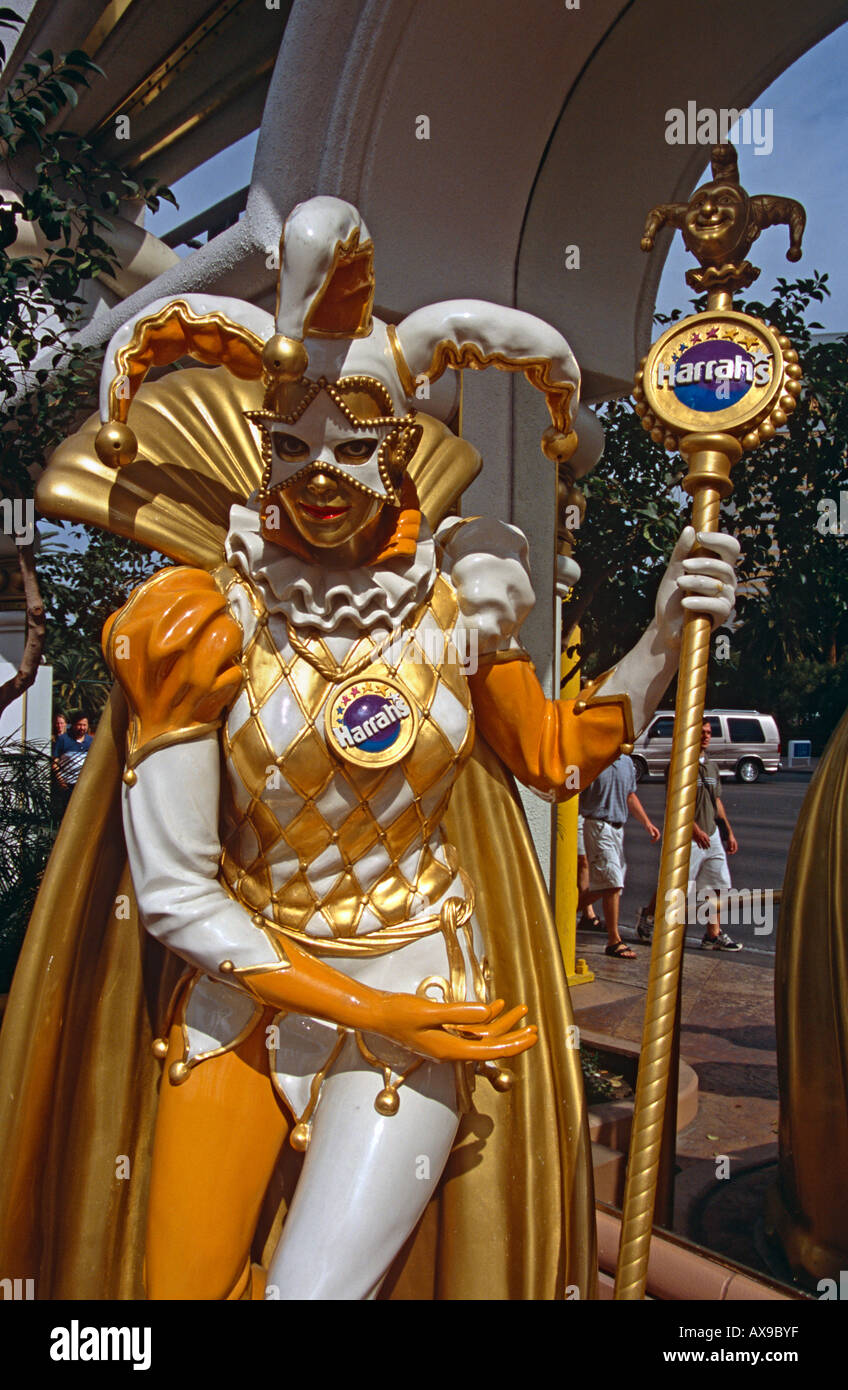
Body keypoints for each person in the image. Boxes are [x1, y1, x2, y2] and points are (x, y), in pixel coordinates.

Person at [5, 197, 738, 1300]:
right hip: (244, 997)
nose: (319, 476)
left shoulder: (460, 610)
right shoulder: (197, 621)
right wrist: (361, 1005)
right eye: (290, 444)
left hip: (417, 983)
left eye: (353, 445)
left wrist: (660, 640)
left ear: (401, 449)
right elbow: (171, 894)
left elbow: (552, 754)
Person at [578, 753, 661, 959]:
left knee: (608, 884)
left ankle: (560, 913)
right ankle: (614, 940)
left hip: (617, 829)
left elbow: (630, 796)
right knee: (612, 883)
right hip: (597, 825)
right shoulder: (592, 758)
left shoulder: (626, 763)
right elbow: (573, 788)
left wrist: (647, 823)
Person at [692, 718, 742, 950]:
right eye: (702, 732)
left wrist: (727, 832)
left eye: (709, 732)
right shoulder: (682, 765)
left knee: (719, 885)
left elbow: (716, 802)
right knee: (678, 886)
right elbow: (673, 803)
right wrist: (694, 829)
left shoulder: (711, 767)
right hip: (690, 837)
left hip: (711, 835)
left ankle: (713, 935)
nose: (706, 736)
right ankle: (649, 918)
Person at [51, 711, 92, 814]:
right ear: (73, 725)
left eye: (84, 725)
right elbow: (54, 762)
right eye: (79, 725)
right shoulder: (63, 740)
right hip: (67, 786)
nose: (82, 728)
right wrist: (61, 781)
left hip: (84, 785)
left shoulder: (90, 741)